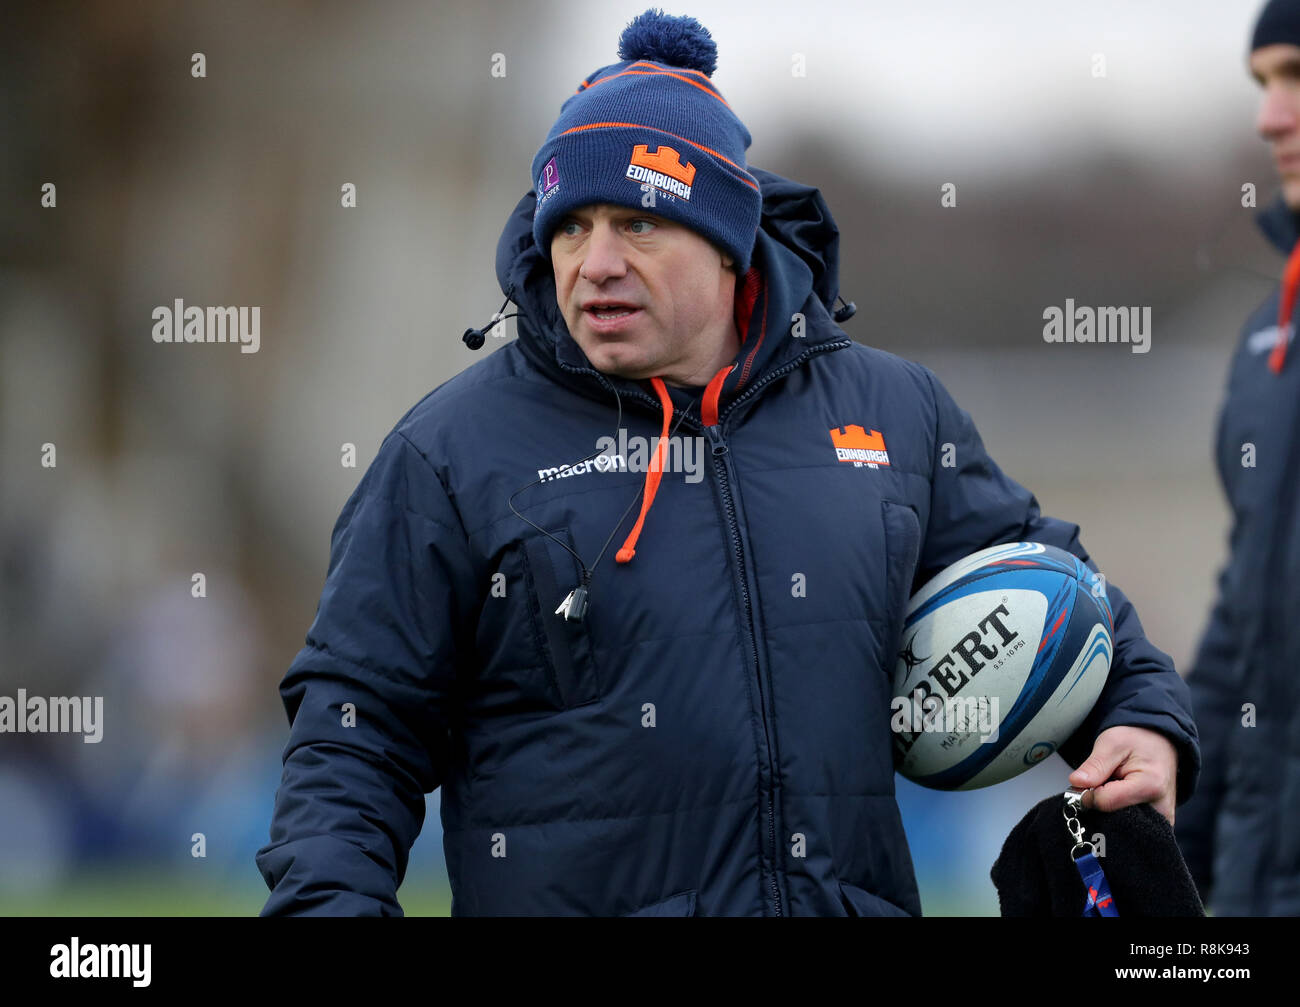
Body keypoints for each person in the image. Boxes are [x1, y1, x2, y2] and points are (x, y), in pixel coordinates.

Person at [256, 9, 1198, 917]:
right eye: (572, 226)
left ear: (727, 242)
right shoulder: (448, 453)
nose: (595, 263)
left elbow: (1056, 584)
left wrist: (1141, 717)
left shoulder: (894, 415)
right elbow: (354, 734)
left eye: (638, 223)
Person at [1174, 0, 1300, 917]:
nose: (1271, 118)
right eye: (1264, 84)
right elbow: (1247, 621)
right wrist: (1156, 841)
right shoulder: (1272, 332)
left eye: (1298, 78)